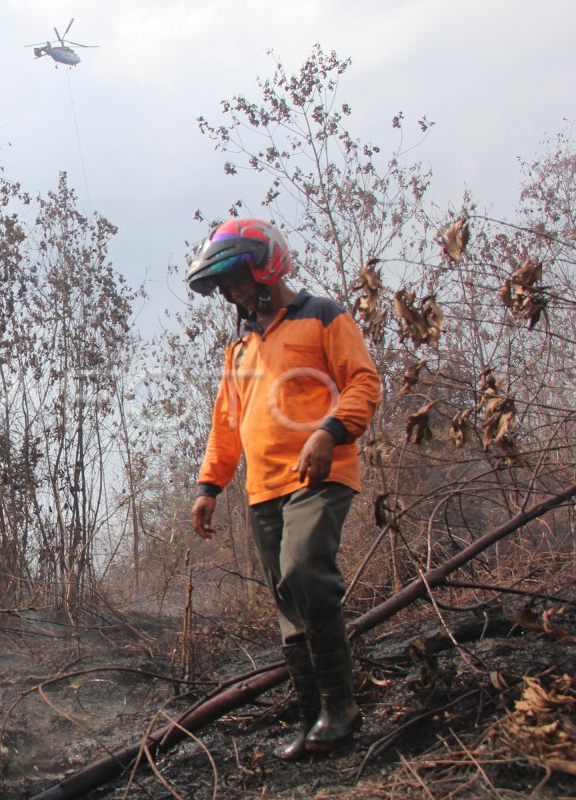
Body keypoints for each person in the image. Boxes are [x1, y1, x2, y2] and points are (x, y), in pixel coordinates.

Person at [187, 219, 381, 759]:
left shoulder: (323, 316)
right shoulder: (240, 344)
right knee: (287, 601)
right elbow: (228, 419)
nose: (232, 294)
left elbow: (364, 380)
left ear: (266, 265)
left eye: (237, 281)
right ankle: (313, 719)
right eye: (224, 288)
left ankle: (341, 709)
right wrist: (209, 485)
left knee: (304, 571)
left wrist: (331, 431)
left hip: (319, 474)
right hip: (262, 488)